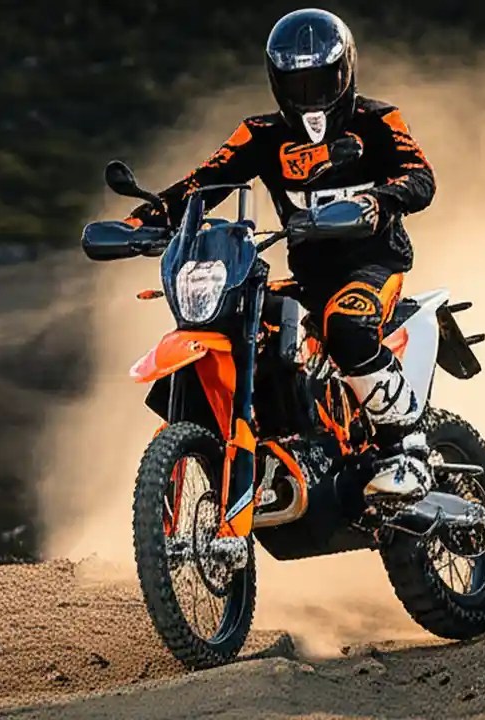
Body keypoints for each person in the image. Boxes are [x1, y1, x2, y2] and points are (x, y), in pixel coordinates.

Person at [124, 9, 436, 501]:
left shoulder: (378, 121)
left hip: (372, 266)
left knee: (346, 327)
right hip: (309, 274)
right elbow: (203, 183)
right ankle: (271, 443)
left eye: (322, 81)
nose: (310, 97)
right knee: (240, 320)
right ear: (277, 82)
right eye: (298, 84)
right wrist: (142, 222)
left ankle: (408, 447)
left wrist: (380, 201)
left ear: (346, 71)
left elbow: (420, 177)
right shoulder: (260, 134)